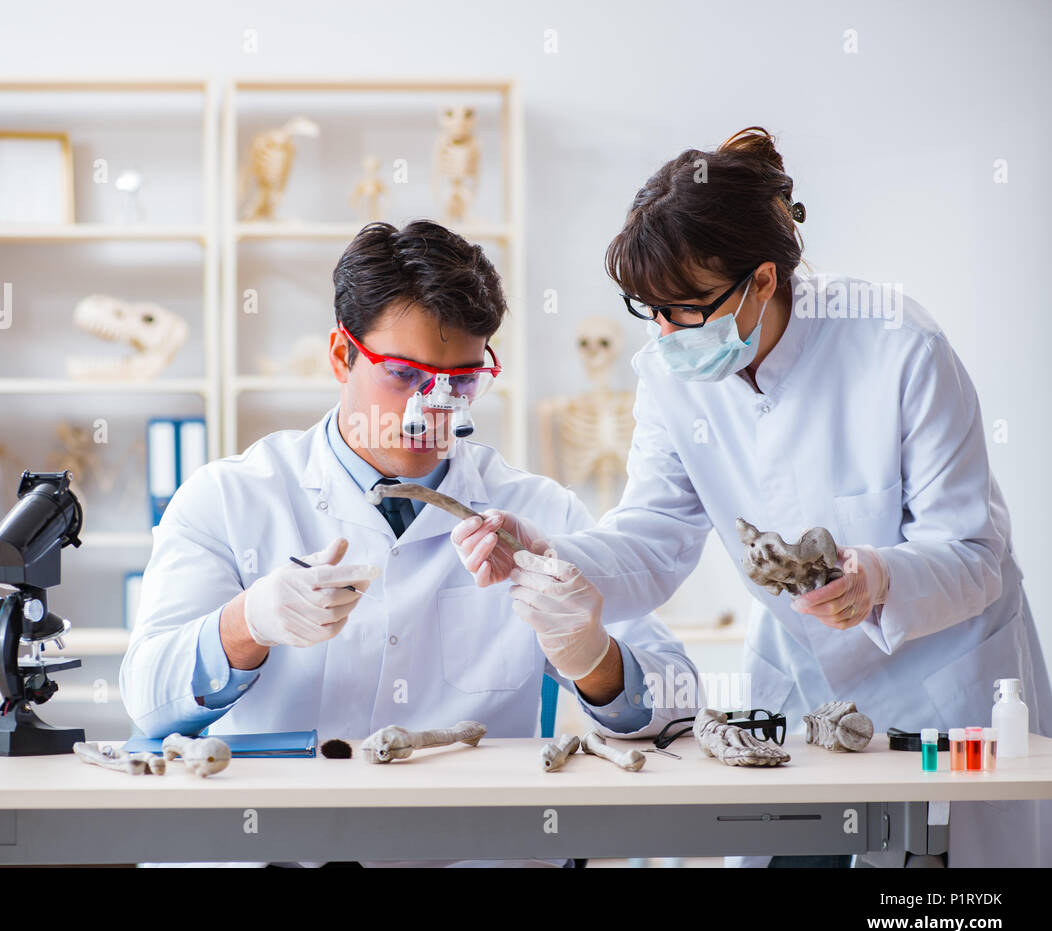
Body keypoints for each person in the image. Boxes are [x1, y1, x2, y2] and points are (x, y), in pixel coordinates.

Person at [452, 128, 1051, 868]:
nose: (666, 334)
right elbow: (654, 535)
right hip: (804, 682)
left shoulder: (899, 346)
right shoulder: (670, 373)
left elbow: (972, 554)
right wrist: (551, 555)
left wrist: (878, 580)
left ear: (764, 280)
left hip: (942, 683)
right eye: (651, 311)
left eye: (687, 309)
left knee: (937, 902)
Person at [119, 219, 700, 868]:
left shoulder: (541, 511)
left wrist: (592, 657)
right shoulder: (229, 500)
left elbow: (679, 704)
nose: (435, 407)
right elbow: (145, 699)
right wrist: (245, 624)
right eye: (404, 374)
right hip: (271, 850)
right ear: (342, 355)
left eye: (462, 379)